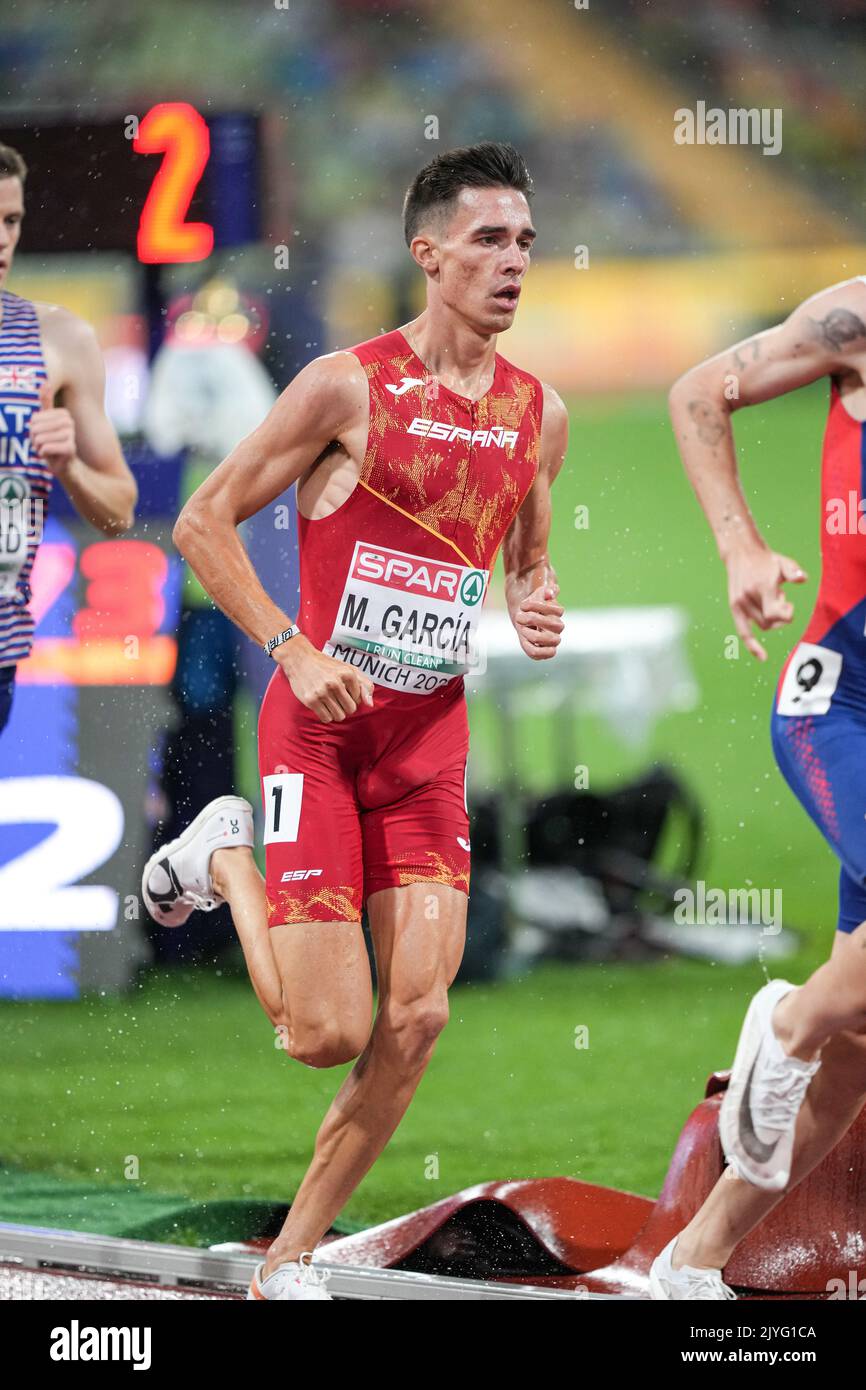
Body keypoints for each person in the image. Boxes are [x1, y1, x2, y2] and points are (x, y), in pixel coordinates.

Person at [141, 142, 569, 1301]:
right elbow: (200, 522)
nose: (512, 261)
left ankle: (289, 1262)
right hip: (317, 731)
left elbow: (525, 562)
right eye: (487, 239)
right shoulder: (347, 385)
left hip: (427, 742)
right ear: (425, 255)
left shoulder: (540, 414)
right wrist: (291, 645)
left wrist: (534, 601)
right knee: (325, 1032)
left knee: (419, 1011)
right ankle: (223, 854)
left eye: (524, 240)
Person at [651, 275, 866, 1299]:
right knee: (833, 1023)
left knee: (859, 1041)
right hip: (840, 702)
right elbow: (696, 393)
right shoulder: (855, 317)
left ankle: (689, 1259)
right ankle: (784, 1024)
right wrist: (739, 544)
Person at [0, 142, 137, 734]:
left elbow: (120, 510)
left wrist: (69, 468)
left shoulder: (58, 339)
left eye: (10, 221)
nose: (3, 239)